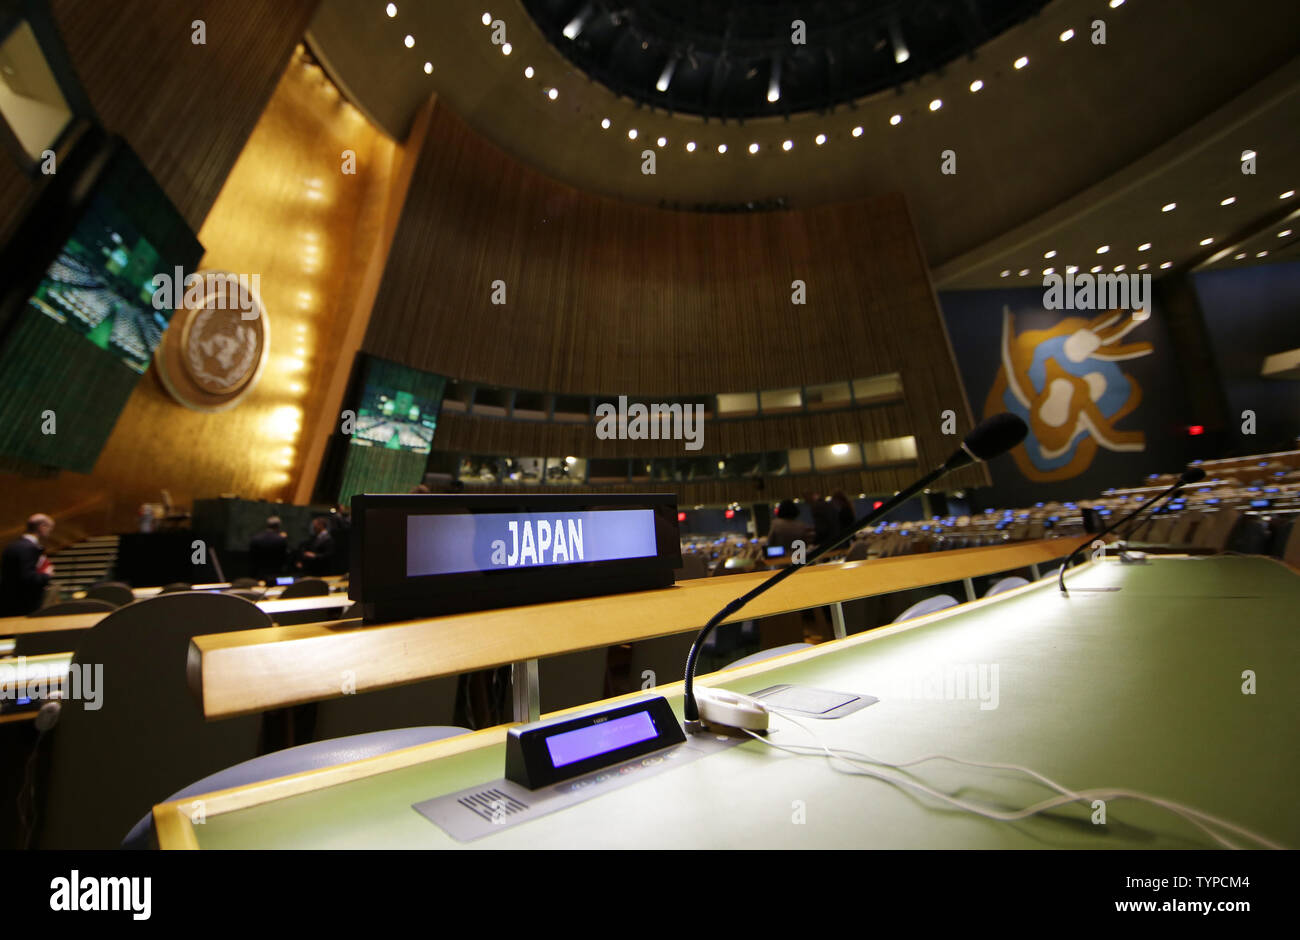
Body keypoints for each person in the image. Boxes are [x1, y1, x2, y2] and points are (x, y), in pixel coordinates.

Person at [0, 513, 55, 615]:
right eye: (49, 528)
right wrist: (46, 575)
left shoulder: (12, 545)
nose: (50, 532)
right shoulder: (30, 548)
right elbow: (27, 577)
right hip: (24, 605)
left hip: (7, 602)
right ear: (42, 527)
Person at [248, 516, 289, 584]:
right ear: (278, 526)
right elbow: (284, 557)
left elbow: (252, 558)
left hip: (259, 573)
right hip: (275, 573)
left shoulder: (256, 538)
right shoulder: (280, 539)